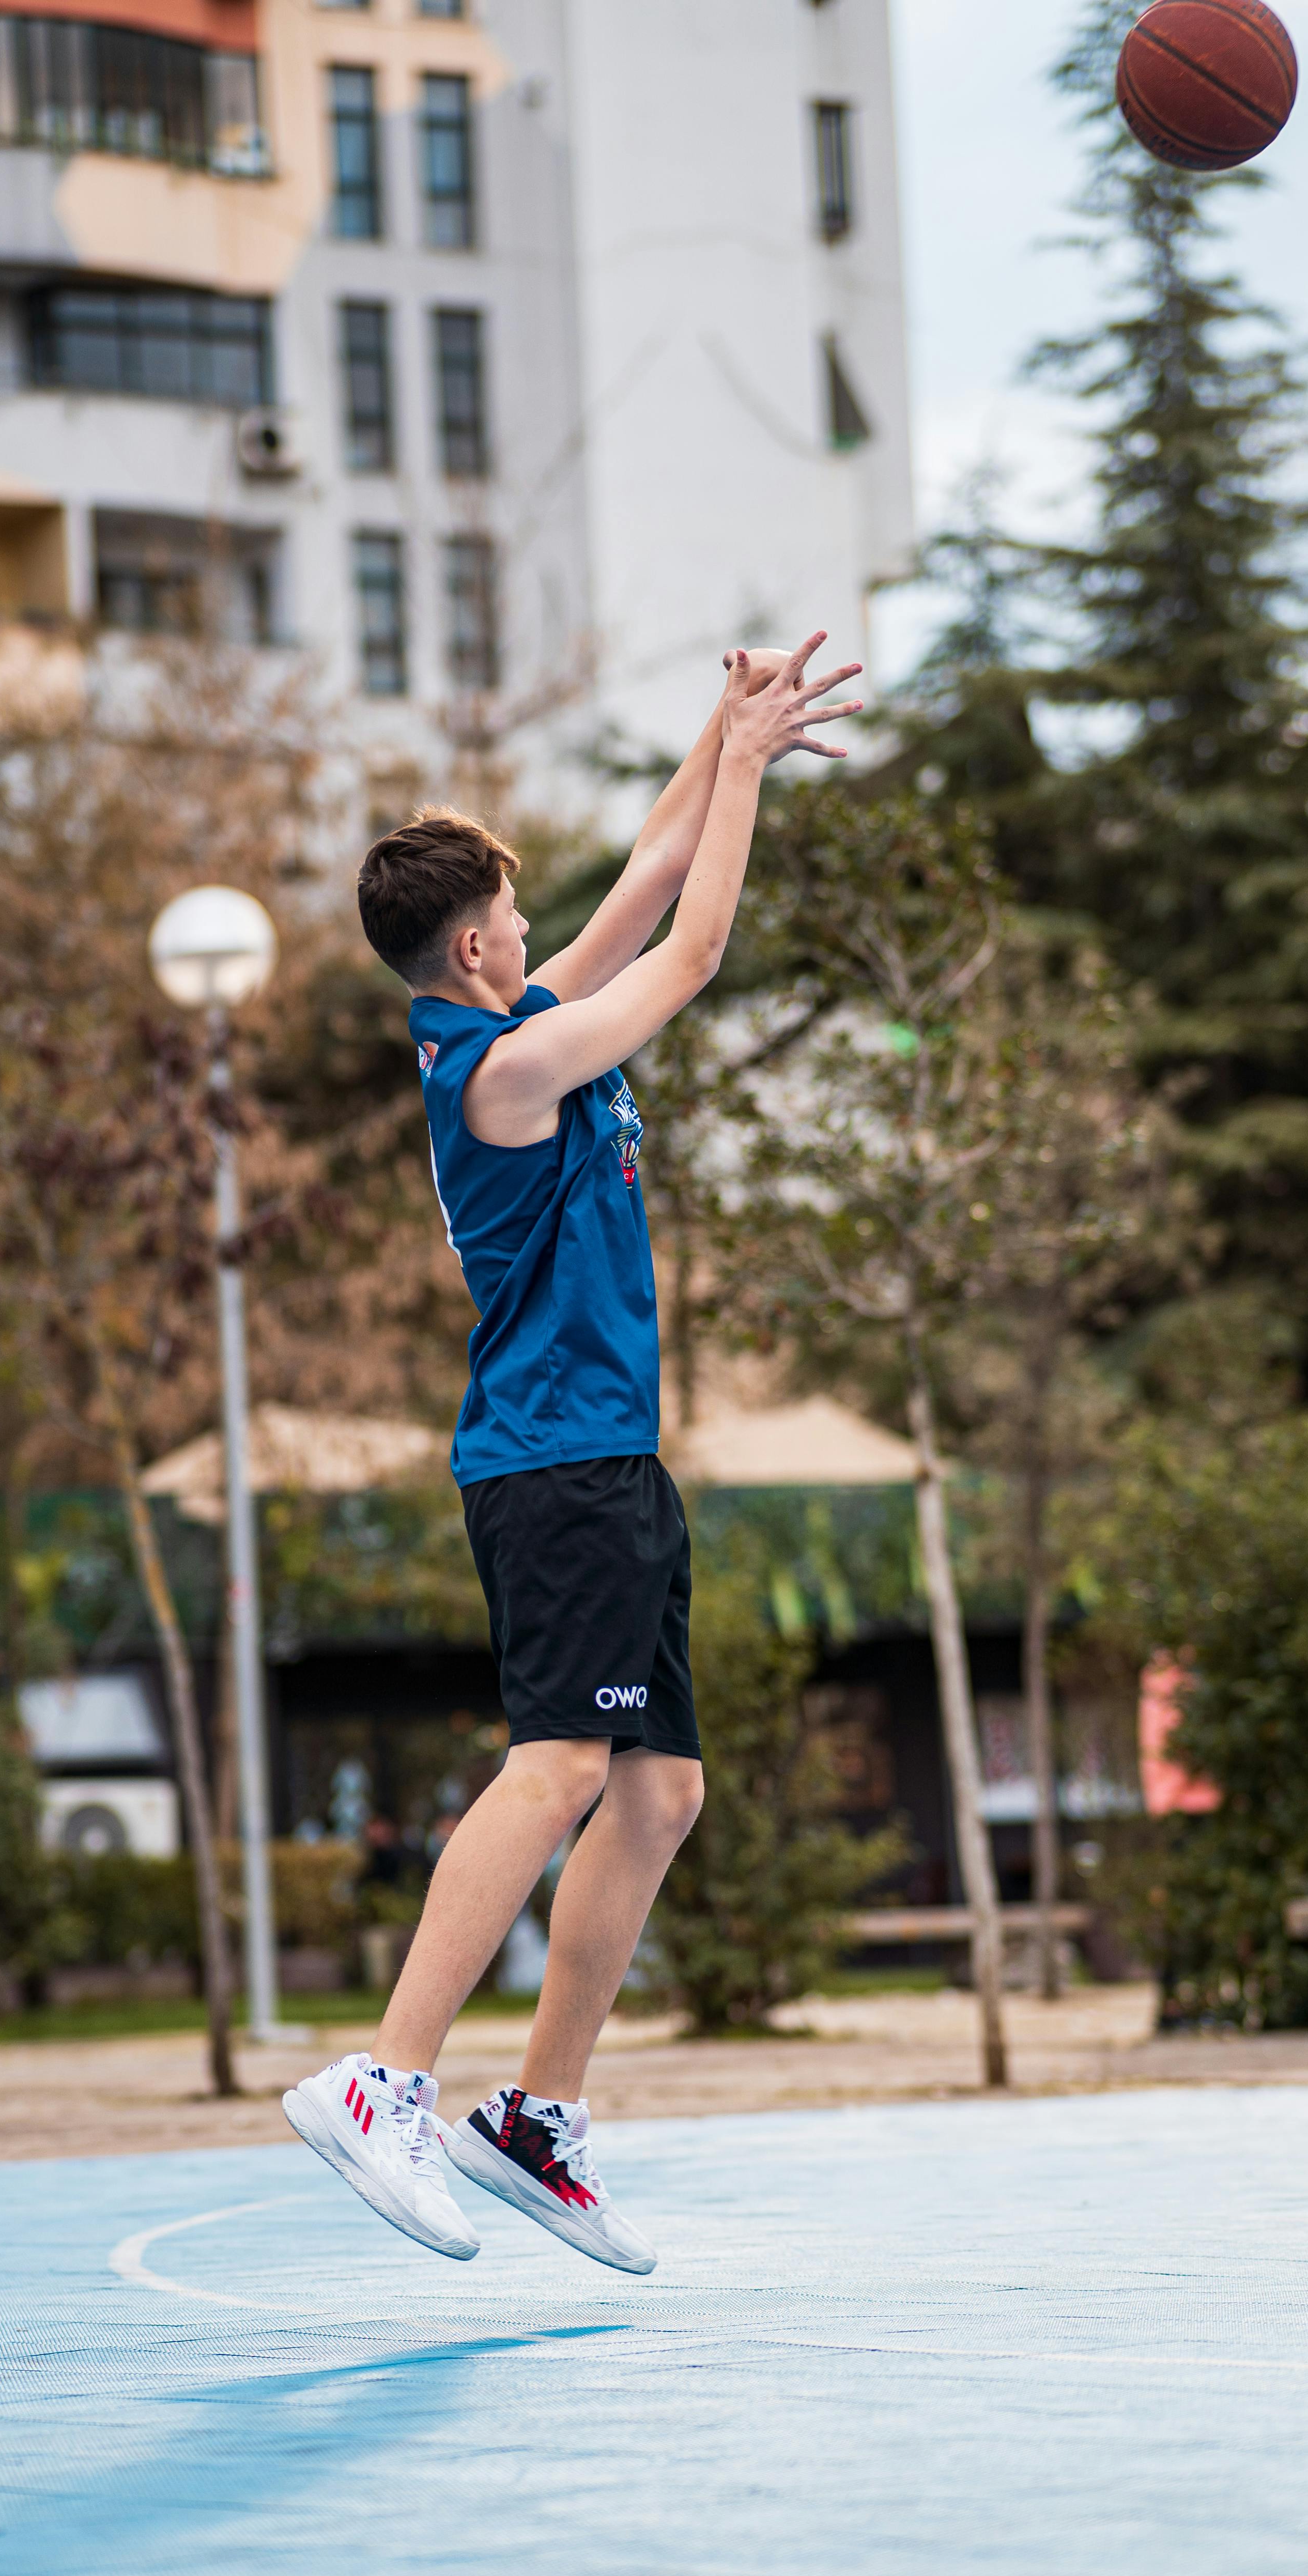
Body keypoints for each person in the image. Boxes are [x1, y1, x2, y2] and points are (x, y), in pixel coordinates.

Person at [284, 637, 863, 2270]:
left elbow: (646, 875)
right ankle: (386, 2079)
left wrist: (722, 731)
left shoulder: (520, 1017)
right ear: (476, 945)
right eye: (519, 923)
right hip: (555, 1473)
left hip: (612, 1463)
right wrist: (750, 774)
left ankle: (533, 2119)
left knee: (660, 1792)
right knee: (559, 1770)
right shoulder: (508, 1070)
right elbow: (687, 954)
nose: (540, 935)